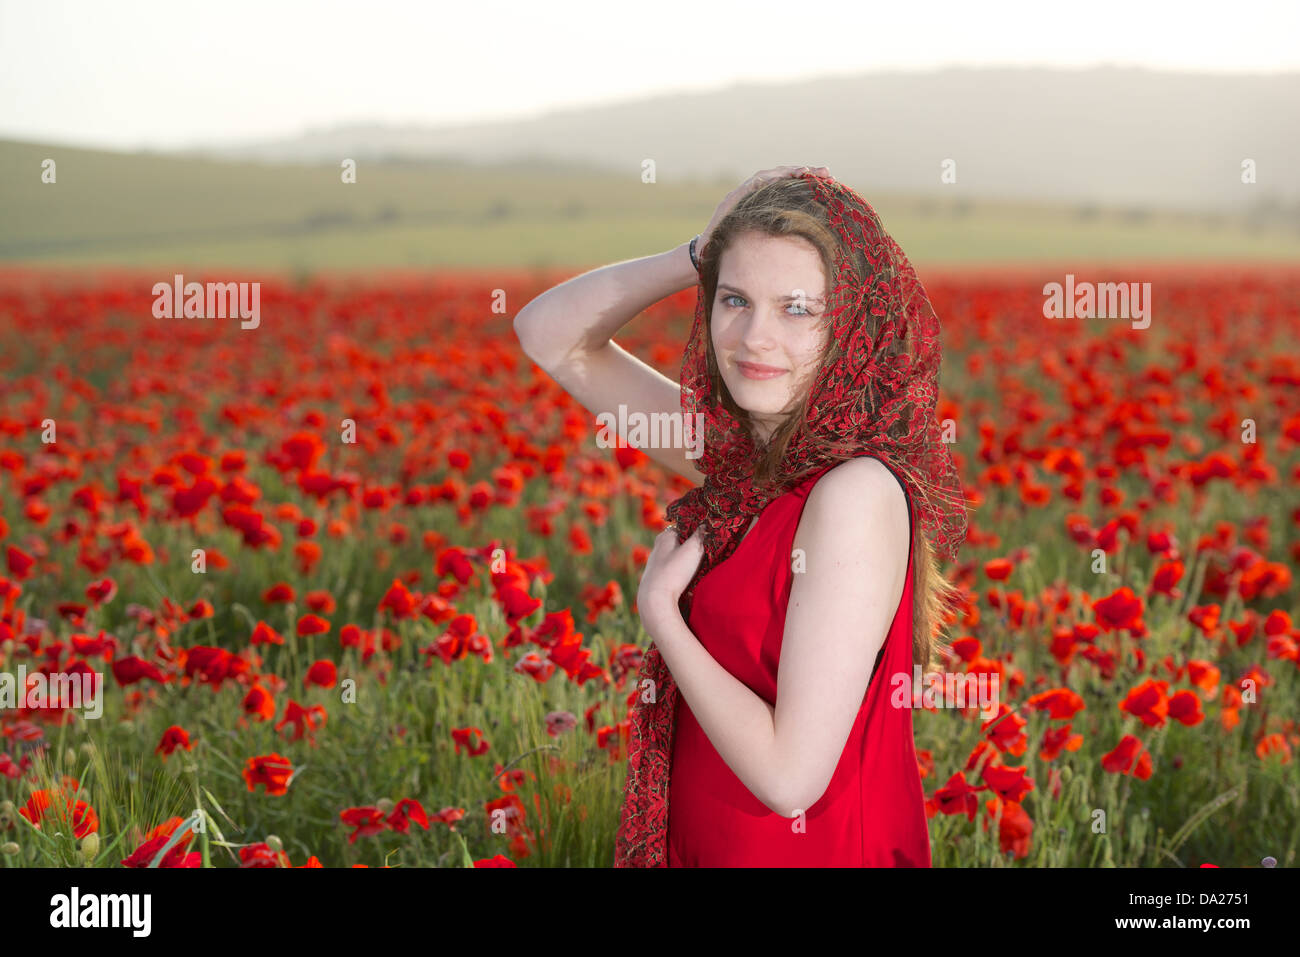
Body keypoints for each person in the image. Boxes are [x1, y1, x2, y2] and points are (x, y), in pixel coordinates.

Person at [514, 165, 969, 867]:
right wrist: (697, 252)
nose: (755, 336)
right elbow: (549, 334)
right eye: (734, 299)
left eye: (796, 308)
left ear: (852, 325)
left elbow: (791, 778)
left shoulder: (852, 493)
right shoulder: (735, 464)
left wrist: (662, 611)